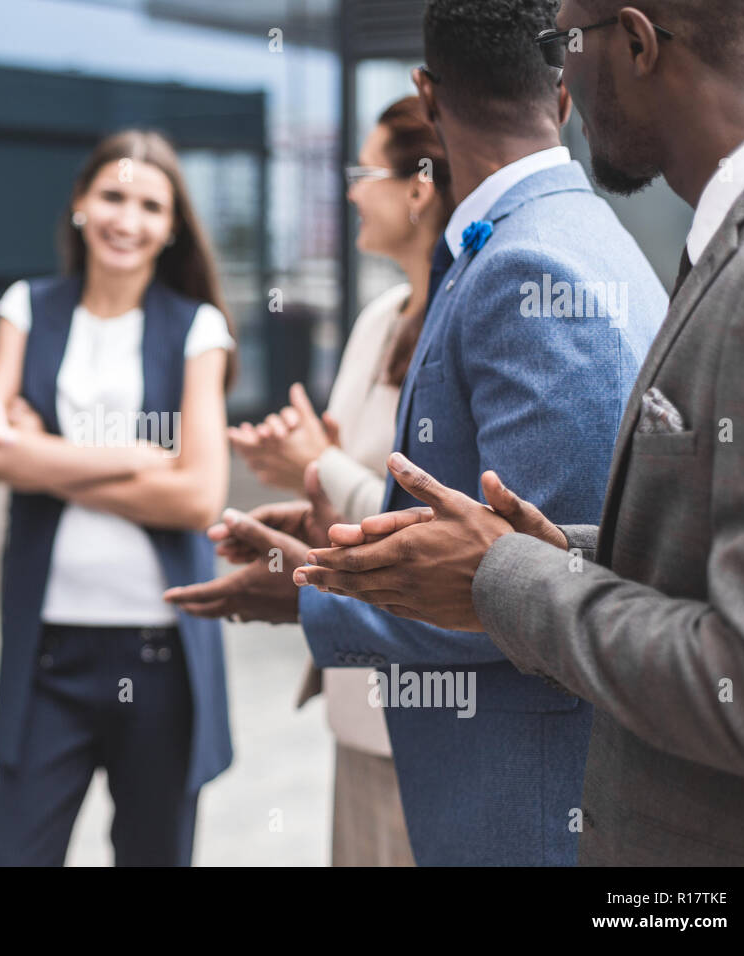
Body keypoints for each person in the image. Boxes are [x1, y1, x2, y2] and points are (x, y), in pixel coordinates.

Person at [173, 0, 669, 866]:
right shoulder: (551, 237)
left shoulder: (528, 262)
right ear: (560, 96)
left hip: (532, 812)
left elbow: (546, 585)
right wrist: (340, 540)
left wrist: (313, 586)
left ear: (426, 94)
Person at [299, 0, 744, 866]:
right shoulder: (709, 241)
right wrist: (537, 549)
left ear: (633, 42)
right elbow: (690, 565)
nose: (561, 72)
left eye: (569, 41)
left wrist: (496, 573)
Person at [0, 129, 235, 866]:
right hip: (48, 653)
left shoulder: (197, 328)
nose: (129, 219)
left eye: (150, 205)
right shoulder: (27, 308)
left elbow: (197, 496)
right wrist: (125, 458)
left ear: (173, 226)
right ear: (82, 205)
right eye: (113, 196)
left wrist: (43, 456)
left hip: (160, 657)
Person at [216, 97, 451, 867]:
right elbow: (350, 482)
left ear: (417, 189)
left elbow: (439, 523)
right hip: (357, 694)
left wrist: (315, 463)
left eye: (364, 172)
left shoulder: (466, 318)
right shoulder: (380, 314)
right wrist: (303, 496)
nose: (351, 191)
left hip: (424, 703)